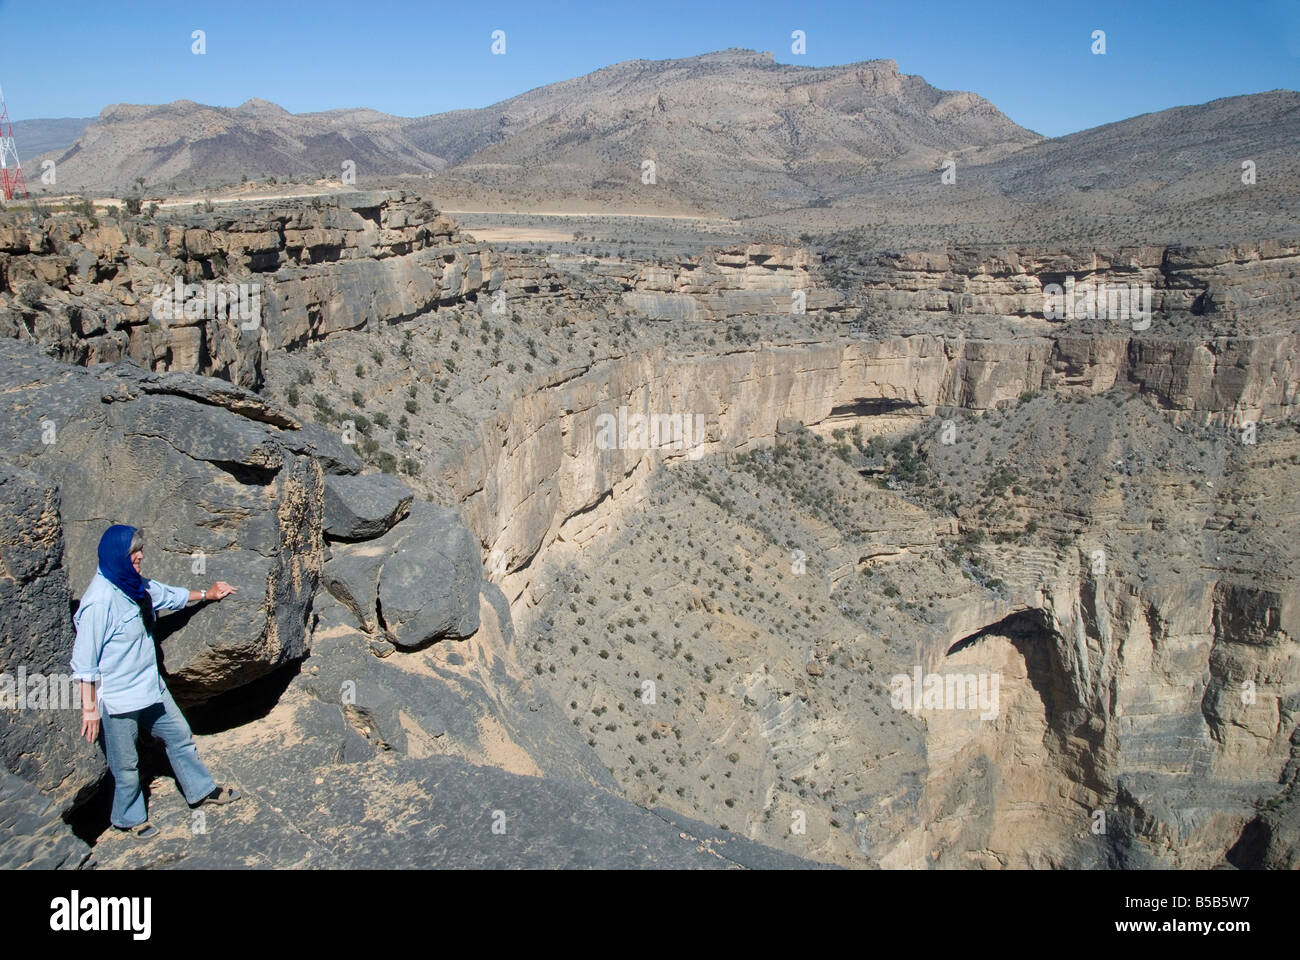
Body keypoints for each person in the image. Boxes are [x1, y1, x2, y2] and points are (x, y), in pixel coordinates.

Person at [71, 524, 242, 839]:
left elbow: (168, 596)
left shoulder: (134, 585)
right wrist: (90, 709)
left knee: (180, 736)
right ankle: (129, 818)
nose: (140, 556)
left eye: (140, 550)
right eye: (133, 552)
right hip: (118, 699)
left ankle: (201, 790)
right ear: (116, 556)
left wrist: (207, 594)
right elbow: (84, 663)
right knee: (126, 765)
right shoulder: (98, 602)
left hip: (151, 687)